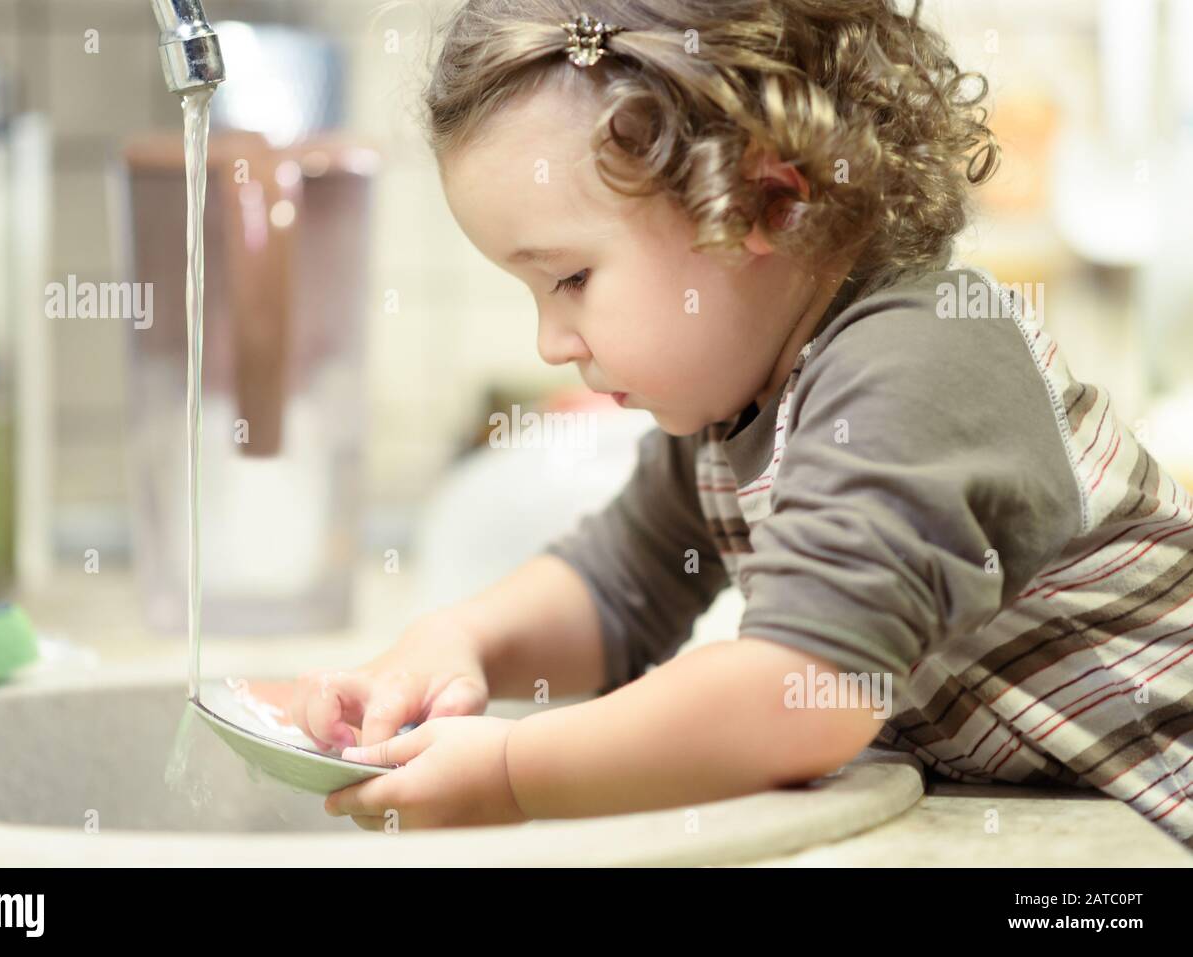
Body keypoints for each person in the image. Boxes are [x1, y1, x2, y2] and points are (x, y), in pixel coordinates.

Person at [291, 1, 1193, 844]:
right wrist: (460, 643)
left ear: (766, 201)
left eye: (568, 279)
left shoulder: (922, 361)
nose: (551, 342)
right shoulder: (733, 413)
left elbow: (801, 693)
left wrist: (514, 772)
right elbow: (617, 587)